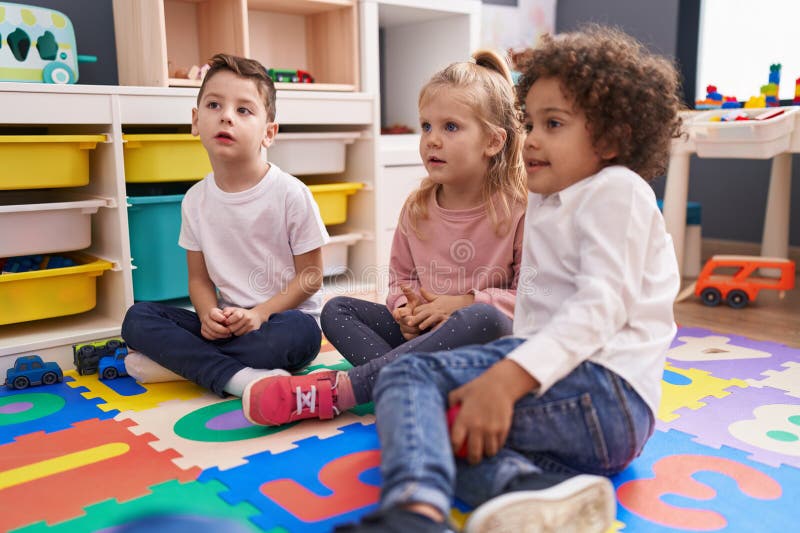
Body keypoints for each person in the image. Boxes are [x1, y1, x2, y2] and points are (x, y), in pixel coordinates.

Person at [334, 25, 683, 533]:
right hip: (572, 406)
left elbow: (601, 309)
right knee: (438, 432)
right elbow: (537, 308)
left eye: (554, 124)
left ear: (610, 138)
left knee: (408, 378)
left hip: (606, 392)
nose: (533, 138)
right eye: (529, 122)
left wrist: (503, 380)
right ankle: (534, 492)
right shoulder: (545, 200)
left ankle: (415, 512)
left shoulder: (617, 190)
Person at [241, 49, 527, 426]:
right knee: (336, 309)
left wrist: (461, 303)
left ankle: (347, 390)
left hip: (483, 346)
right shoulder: (418, 207)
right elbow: (401, 279)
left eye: (450, 127)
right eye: (426, 126)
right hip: (422, 336)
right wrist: (402, 310)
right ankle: (420, 387)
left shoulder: (519, 210)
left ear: (492, 141)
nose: (432, 140)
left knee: (485, 317)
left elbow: (529, 300)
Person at [120, 53, 329, 398]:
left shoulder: (291, 193)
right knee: (137, 318)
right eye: (214, 105)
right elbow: (199, 280)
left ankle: (181, 366)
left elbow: (311, 277)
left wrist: (260, 314)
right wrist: (206, 315)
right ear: (195, 121)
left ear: (269, 133)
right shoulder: (195, 200)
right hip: (228, 325)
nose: (226, 117)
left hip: (279, 321)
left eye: (243, 110)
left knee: (298, 335)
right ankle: (237, 375)